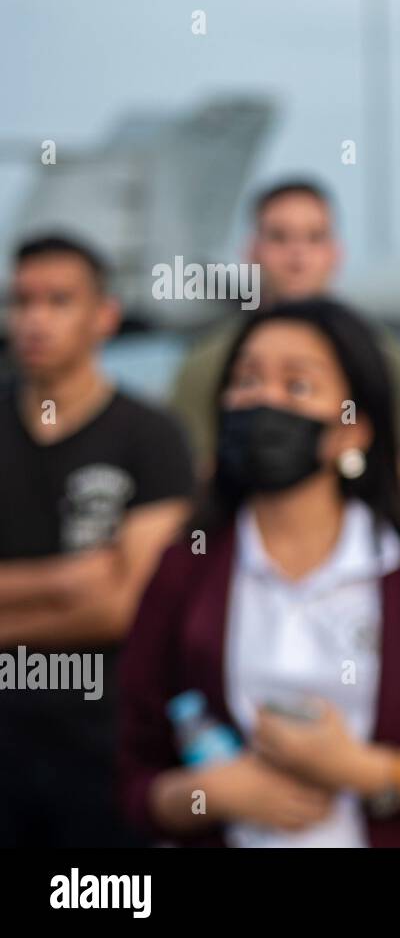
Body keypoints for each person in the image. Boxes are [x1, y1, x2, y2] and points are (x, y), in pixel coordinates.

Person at [118, 299, 400, 847]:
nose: (264, 401)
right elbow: (135, 774)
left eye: (297, 385)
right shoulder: (188, 566)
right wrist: (210, 794)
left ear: (354, 429)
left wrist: (363, 770)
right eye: (247, 380)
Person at [0, 234, 193, 847]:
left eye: (59, 301)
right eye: (22, 300)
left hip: (105, 749)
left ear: (104, 315)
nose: (35, 319)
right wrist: (77, 580)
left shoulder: (151, 437)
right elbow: (102, 593)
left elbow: (128, 603)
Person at [169, 179, 400, 483]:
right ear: (252, 251)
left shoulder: (388, 363)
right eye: (279, 238)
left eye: (314, 238)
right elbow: (191, 476)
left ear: (336, 252)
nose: (297, 256)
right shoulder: (205, 365)